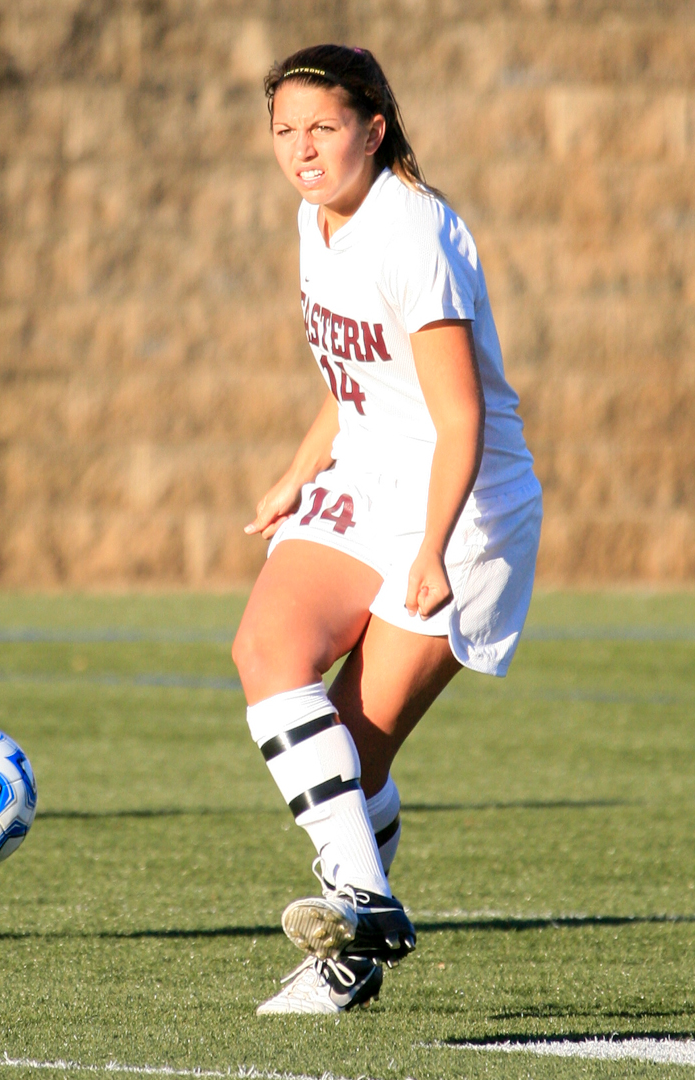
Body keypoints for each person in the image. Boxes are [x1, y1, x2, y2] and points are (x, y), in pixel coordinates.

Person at [232, 44, 544, 1015]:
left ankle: (350, 955)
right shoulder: (314, 218)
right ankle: (367, 906)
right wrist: (297, 472)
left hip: (464, 502)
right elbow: (357, 378)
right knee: (266, 651)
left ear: (373, 130)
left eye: (323, 127)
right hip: (367, 478)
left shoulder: (412, 232)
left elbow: (460, 415)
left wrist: (432, 549)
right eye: (284, 129)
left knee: (357, 757)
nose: (302, 148)